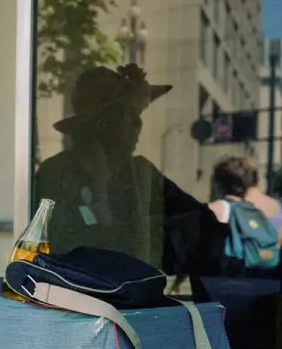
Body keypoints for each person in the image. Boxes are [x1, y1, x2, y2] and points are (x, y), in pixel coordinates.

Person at [35, 63, 224, 277]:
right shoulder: (57, 175)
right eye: (126, 112)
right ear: (100, 122)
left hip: (133, 300)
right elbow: (58, 249)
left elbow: (205, 228)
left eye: (137, 112)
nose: (137, 123)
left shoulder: (142, 174)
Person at [208, 154, 282, 274]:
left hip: (233, 280)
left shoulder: (223, 208)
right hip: (268, 277)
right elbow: (278, 243)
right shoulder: (275, 206)